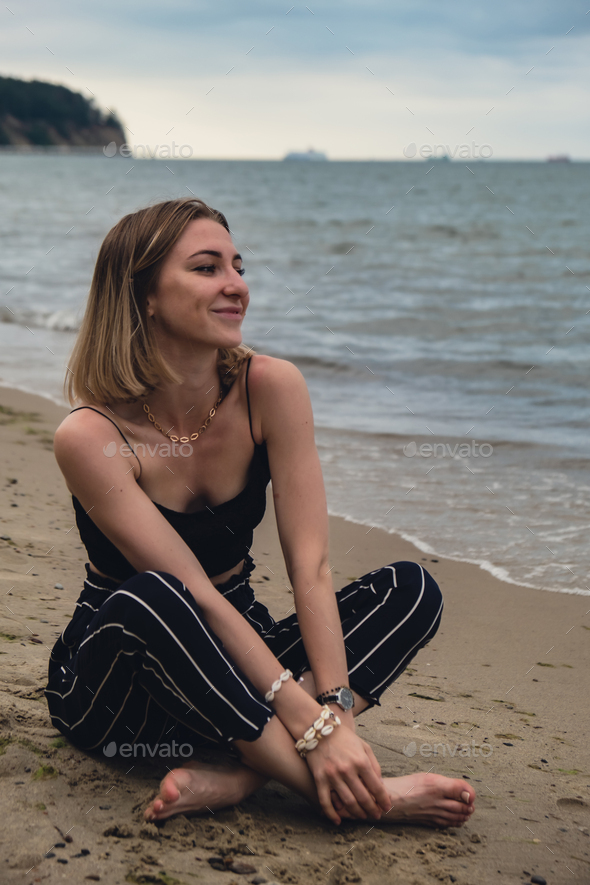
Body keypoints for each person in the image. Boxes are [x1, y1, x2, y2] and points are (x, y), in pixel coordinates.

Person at [45, 197, 476, 828]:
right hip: (122, 688)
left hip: (240, 668)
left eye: (237, 265)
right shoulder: (91, 434)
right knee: (157, 595)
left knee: (411, 590)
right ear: (145, 297)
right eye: (206, 268)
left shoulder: (270, 388)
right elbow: (195, 595)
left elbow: (313, 570)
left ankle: (241, 774)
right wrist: (308, 725)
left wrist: (334, 715)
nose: (236, 286)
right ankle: (370, 798)